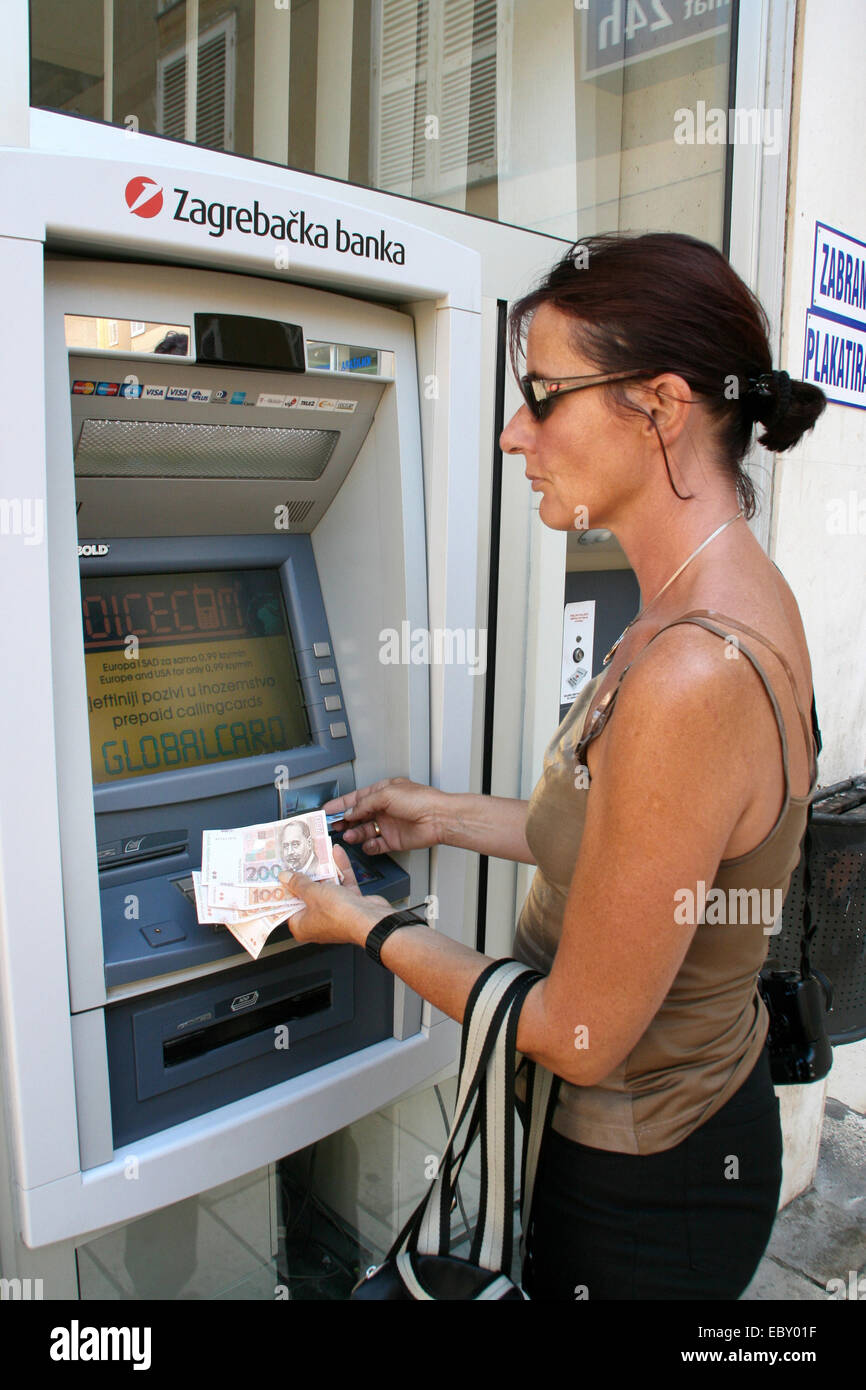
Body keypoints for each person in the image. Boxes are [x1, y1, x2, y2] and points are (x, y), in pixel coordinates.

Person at [278, 232, 827, 1301]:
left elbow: (576, 1034)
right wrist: (437, 815)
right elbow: (618, 844)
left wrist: (364, 926)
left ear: (660, 405)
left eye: (543, 395)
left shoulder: (689, 673)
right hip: (670, 1139)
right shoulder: (702, 599)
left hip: (645, 1192)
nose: (510, 432)